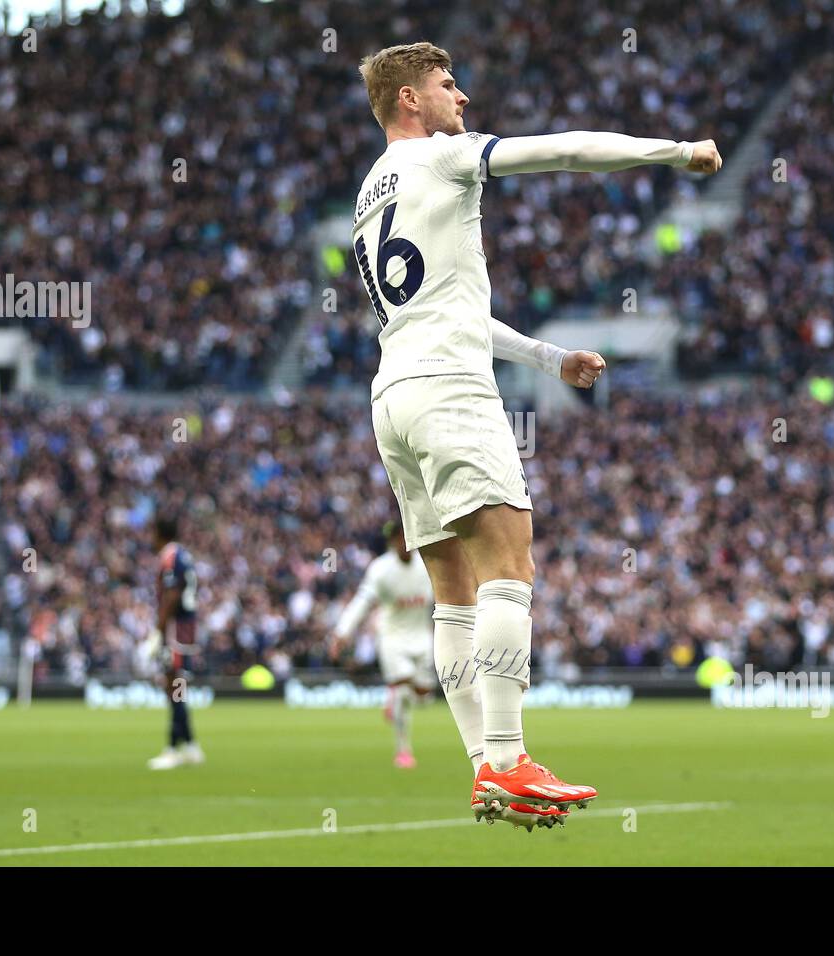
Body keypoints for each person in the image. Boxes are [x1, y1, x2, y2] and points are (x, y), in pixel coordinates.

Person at [352, 41, 721, 829]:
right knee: (509, 564)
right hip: (451, 391)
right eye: (449, 85)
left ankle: (482, 768)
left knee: (451, 590)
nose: (465, 97)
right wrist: (677, 151)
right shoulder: (445, 157)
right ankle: (510, 757)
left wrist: (548, 358)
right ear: (410, 101)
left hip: (393, 397)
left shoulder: (369, 193)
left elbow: (451, 310)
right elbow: (566, 151)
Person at [334, 519, 435, 768]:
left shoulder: (428, 565)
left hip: (422, 637)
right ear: (391, 541)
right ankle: (403, 751)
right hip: (392, 637)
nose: (403, 542)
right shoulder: (380, 569)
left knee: (423, 695)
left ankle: (394, 695)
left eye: (406, 536)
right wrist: (343, 631)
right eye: (398, 537)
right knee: (402, 687)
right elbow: (362, 601)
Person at [145, 514, 205, 770]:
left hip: (175, 630)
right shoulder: (184, 555)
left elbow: (172, 594)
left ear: (160, 533)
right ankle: (190, 745)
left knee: (174, 687)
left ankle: (172, 748)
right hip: (185, 628)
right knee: (176, 688)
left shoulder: (171, 557)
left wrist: (158, 631)